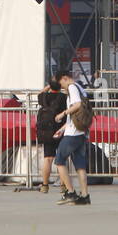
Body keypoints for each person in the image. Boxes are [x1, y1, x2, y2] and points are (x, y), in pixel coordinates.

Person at [53, 71, 91, 205]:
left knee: (59, 160)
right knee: (80, 165)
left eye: (61, 84)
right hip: (81, 131)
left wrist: (62, 113)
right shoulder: (80, 87)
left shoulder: (72, 87)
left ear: (65, 78)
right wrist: (63, 128)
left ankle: (70, 192)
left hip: (73, 133)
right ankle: (85, 195)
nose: (62, 87)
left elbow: (77, 105)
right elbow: (76, 114)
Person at [36, 78, 68, 194]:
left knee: (48, 159)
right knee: (61, 160)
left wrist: (48, 87)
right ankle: (63, 185)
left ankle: (44, 185)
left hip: (46, 132)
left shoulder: (43, 98)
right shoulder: (63, 98)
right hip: (60, 131)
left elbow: (40, 93)